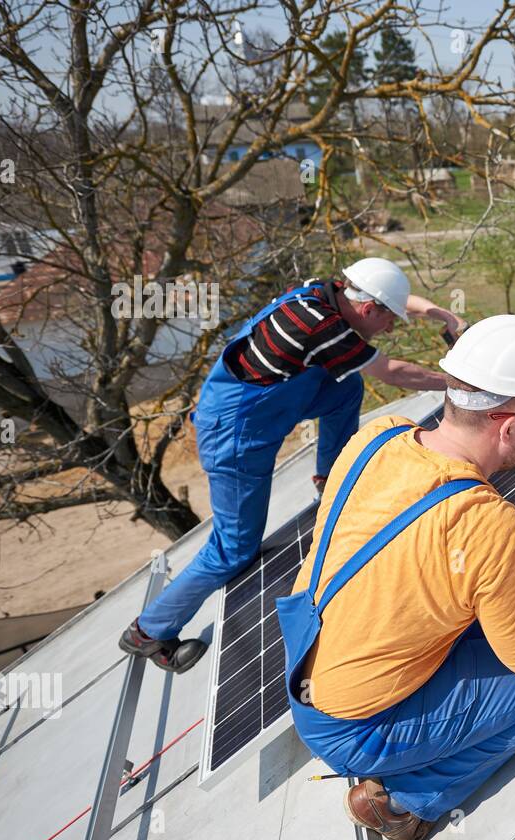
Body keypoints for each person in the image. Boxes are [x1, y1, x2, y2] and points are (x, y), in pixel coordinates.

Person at [276, 314, 515, 840]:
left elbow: (406, 546)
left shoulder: (377, 438)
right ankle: (409, 802)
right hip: (359, 727)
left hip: (312, 672)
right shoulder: (484, 524)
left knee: (487, 619)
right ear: (511, 427)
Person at [119, 258, 466, 673]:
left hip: (260, 412)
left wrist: (439, 313)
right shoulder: (321, 325)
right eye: (389, 321)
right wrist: (459, 382)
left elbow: (392, 300)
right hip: (235, 436)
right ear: (369, 309)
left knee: (345, 386)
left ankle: (329, 478)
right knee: (233, 550)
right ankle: (148, 631)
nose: (390, 329)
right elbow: (391, 372)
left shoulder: (325, 292)